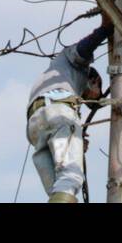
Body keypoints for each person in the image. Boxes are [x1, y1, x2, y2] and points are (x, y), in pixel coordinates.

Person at [26, 21, 111, 203]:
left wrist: (77, 140)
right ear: (94, 81)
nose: (93, 99)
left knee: (59, 188)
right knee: (71, 176)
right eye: (96, 94)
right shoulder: (78, 66)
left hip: (35, 125)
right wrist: (105, 29)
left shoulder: (57, 77)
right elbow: (83, 49)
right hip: (58, 112)